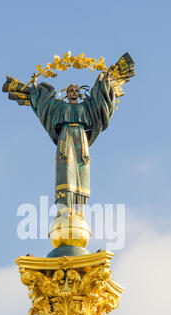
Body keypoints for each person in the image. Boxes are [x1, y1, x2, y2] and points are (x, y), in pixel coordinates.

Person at [29, 69, 115, 217]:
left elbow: (100, 103)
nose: (74, 92)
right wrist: (35, 87)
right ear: (67, 93)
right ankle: (63, 208)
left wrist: (104, 81)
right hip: (66, 137)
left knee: (82, 170)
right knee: (66, 169)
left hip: (81, 139)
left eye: (76, 90)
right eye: (71, 90)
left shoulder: (86, 108)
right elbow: (44, 105)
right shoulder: (59, 107)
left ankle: (79, 210)